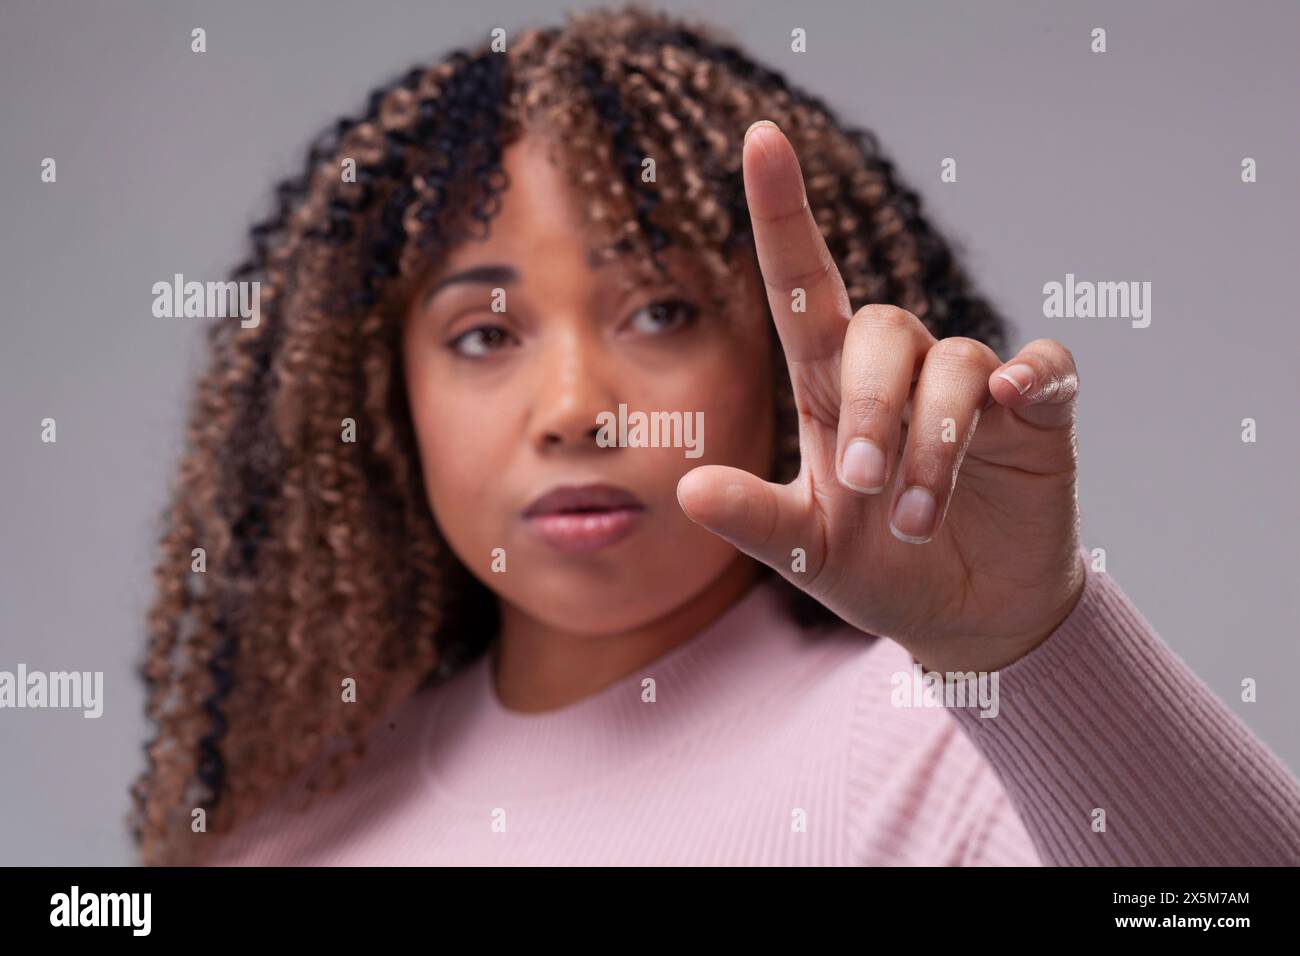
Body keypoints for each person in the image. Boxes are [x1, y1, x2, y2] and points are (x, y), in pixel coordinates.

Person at [130, 7, 1300, 866]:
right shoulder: (288, 827)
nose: (577, 404)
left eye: (661, 311)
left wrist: (1030, 644)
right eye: (484, 334)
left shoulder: (945, 740)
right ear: (390, 402)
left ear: (772, 376)